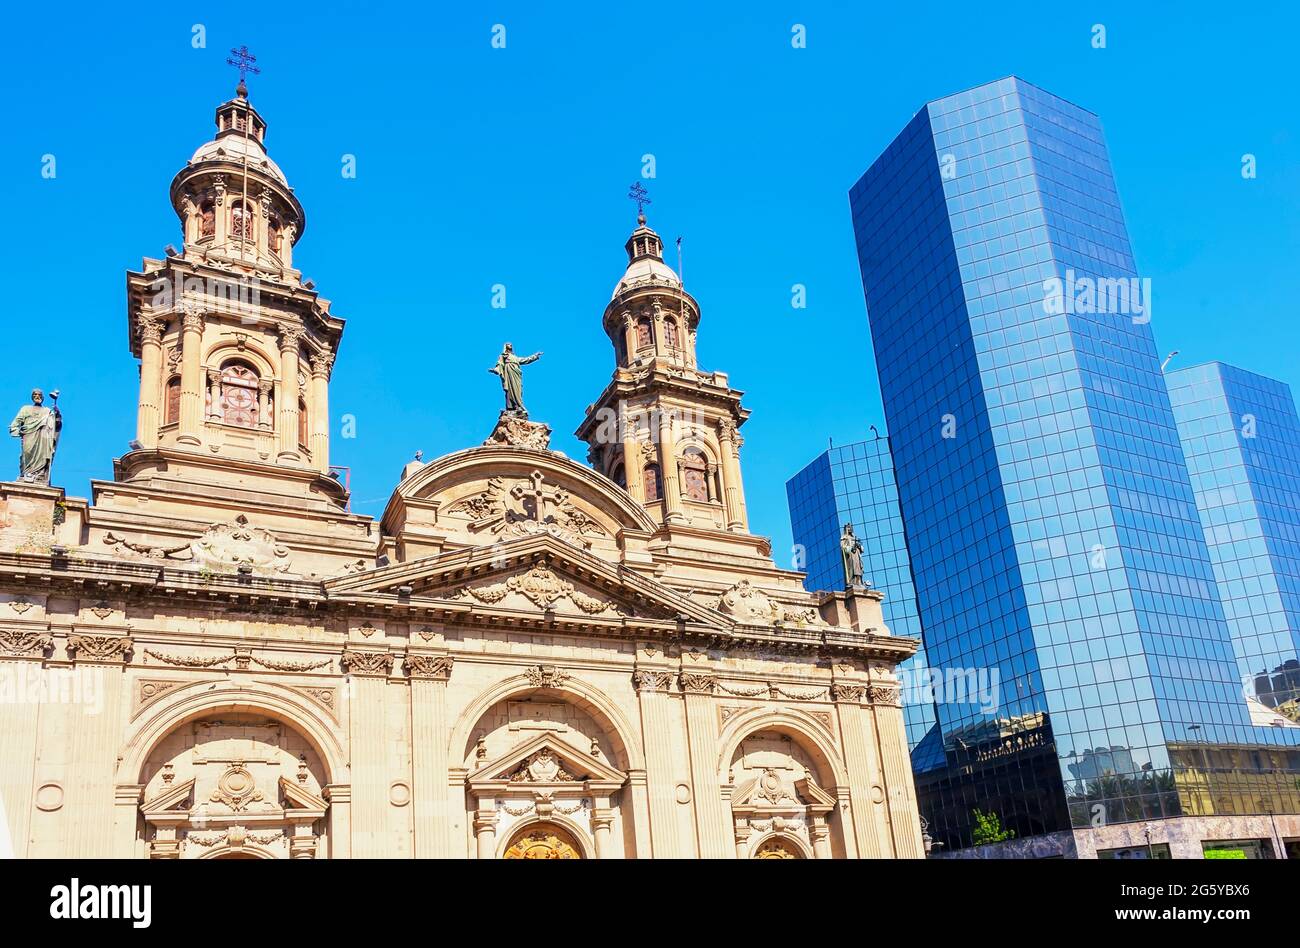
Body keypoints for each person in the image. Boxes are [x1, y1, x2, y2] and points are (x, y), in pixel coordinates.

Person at [8, 388, 61, 486]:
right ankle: (27, 474)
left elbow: (56, 425)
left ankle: (39, 475)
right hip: (29, 435)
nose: (37, 396)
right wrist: (18, 431)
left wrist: (57, 414)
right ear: (32, 397)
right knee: (27, 453)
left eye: (40, 395)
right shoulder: (25, 409)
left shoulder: (48, 411)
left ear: (43, 397)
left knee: (42, 456)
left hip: (43, 438)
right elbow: (15, 424)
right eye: (35, 395)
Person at [488, 342, 542, 416]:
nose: (510, 345)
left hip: (516, 373)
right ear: (505, 347)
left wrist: (535, 356)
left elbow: (526, 360)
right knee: (510, 389)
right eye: (508, 344)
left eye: (511, 345)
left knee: (518, 390)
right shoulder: (503, 356)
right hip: (509, 372)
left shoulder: (516, 358)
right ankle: (511, 407)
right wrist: (496, 369)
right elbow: (500, 364)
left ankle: (518, 405)